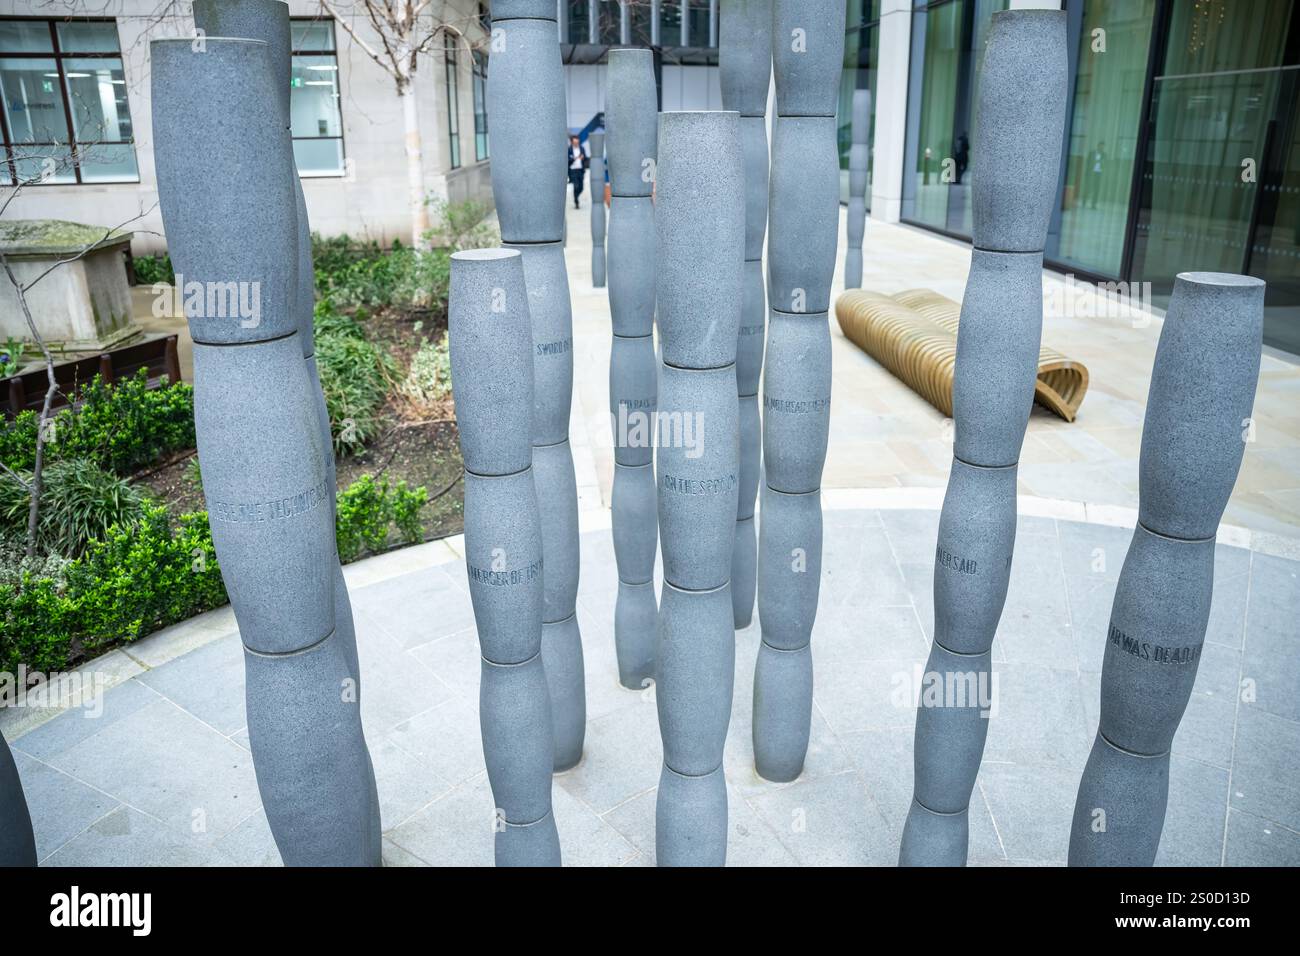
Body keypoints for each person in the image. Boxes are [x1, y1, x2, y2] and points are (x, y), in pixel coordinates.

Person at [568, 134, 589, 209]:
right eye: (575, 143)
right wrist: (575, 158)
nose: (576, 144)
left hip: (580, 170)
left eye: (577, 142)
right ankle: (576, 201)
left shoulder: (582, 148)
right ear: (572, 142)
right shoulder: (569, 150)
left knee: (581, 187)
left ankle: (576, 196)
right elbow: (568, 160)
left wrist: (583, 158)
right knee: (576, 186)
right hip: (573, 170)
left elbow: (585, 158)